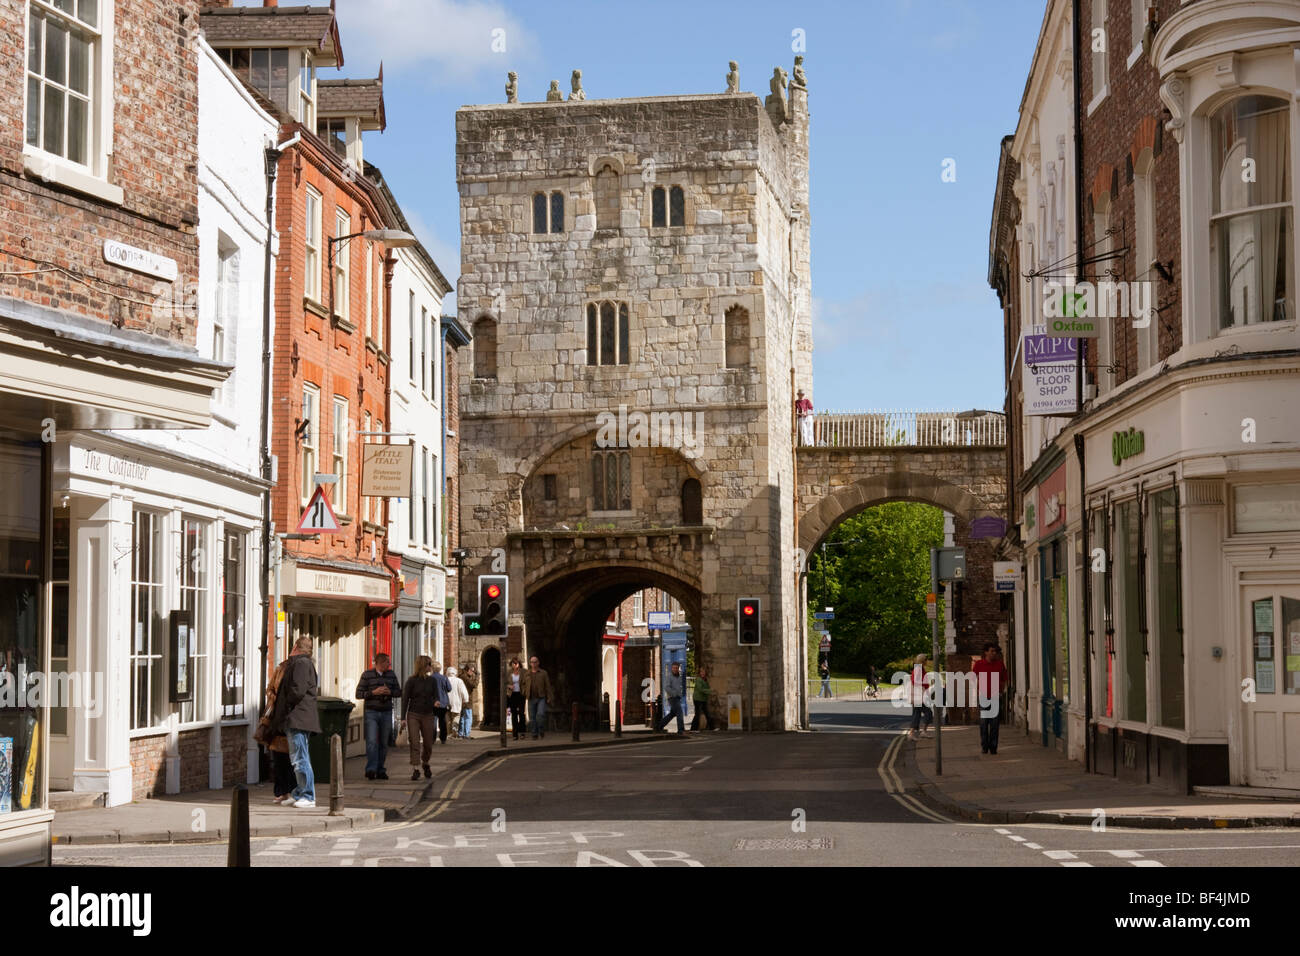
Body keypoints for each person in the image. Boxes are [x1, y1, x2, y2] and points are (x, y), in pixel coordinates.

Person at [272, 635, 320, 809]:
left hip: (298, 719)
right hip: (298, 718)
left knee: (300, 759)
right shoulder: (303, 663)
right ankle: (299, 793)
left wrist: (287, 708)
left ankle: (308, 795)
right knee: (298, 757)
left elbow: (297, 691)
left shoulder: (300, 663)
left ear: (295, 647)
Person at [356, 653, 401, 780]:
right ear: (380, 663)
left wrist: (390, 692)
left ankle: (380, 769)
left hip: (386, 712)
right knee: (371, 742)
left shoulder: (391, 675)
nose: (389, 665)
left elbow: (399, 692)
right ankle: (371, 769)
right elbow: (358, 694)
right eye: (388, 663)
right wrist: (373, 692)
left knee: (383, 743)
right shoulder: (367, 675)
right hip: (372, 712)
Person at [256, 656, 295, 803]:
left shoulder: (299, 671)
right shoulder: (280, 669)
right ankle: (281, 792)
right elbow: (270, 689)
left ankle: (291, 791)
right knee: (278, 756)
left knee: (291, 758)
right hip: (276, 718)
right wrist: (275, 698)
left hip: (291, 717)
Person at [400, 656, 439, 780]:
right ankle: (416, 768)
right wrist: (402, 718)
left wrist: (435, 702)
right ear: (423, 665)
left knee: (428, 743)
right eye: (429, 664)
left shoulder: (432, 681)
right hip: (413, 715)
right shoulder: (411, 681)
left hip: (428, 715)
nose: (430, 666)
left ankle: (425, 762)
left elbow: (436, 696)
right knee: (414, 742)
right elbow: (405, 699)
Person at [972, 642, 1009, 755]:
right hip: (983, 696)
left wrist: (1002, 692)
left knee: (994, 723)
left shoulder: (1000, 664)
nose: (994, 653)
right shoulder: (979, 664)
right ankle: (984, 746)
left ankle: (993, 747)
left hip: (995, 697)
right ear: (986, 652)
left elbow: (1005, 679)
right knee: (983, 723)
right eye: (992, 651)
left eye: (995, 651)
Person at [523, 655, 552, 739]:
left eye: (535, 662)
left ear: (538, 663)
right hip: (531, 698)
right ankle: (534, 734)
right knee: (532, 718)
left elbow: (547, 685)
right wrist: (525, 692)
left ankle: (541, 729)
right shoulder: (527, 674)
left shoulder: (543, 673)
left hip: (541, 697)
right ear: (530, 663)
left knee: (540, 715)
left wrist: (549, 696)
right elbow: (523, 684)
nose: (534, 664)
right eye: (532, 662)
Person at [656, 661, 687, 735]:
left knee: (672, 714)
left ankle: (659, 726)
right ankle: (681, 730)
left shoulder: (679, 677)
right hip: (672, 698)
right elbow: (666, 687)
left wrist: (679, 694)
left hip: (677, 697)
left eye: (676, 668)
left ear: (678, 668)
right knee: (679, 712)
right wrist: (674, 693)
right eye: (674, 668)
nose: (675, 669)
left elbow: (679, 687)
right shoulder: (669, 676)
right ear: (671, 668)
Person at [908, 653, 933, 740]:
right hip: (919, 696)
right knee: (928, 712)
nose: (927, 661)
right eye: (926, 659)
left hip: (918, 695)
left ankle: (912, 734)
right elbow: (915, 682)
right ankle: (923, 732)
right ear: (923, 661)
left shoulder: (920, 668)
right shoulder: (918, 669)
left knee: (916, 714)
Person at [430, 662, 453, 744]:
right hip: (443, 702)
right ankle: (443, 738)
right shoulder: (444, 678)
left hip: (433, 702)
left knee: (433, 720)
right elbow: (449, 688)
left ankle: (432, 738)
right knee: (442, 720)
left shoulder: (430, 678)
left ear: (432, 668)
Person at [446, 666, 469, 740]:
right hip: (456, 702)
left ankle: (449, 733)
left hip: (446, 702)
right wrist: (466, 700)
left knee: (448, 718)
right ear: (455, 673)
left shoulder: (445, 680)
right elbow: (463, 691)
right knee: (456, 717)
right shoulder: (459, 681)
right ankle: (454, 732)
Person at [507, 658, 526, 739]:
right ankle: (515, 734)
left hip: (521, 694)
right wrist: (509, 686)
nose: (515, 665)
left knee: (521, 713)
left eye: (516, 663)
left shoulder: (523, 671)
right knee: (514, 714)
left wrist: (525, 689)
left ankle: (522, 732)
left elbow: (527, 681)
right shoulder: (509, 672)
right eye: (513, 663)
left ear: (519, 664)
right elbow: (505, 683)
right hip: (512, 694)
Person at [690, 666, 713, 731]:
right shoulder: (698, 679)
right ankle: (693, 729)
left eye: (703, 671)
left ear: (705, 672)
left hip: (703, 699)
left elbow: (706, 688)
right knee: (697, 714)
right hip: (697, 699)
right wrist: (710, 691)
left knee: (707, 713)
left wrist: (709, 691)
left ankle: (711, 727)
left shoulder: (705, 679)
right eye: (701, 672)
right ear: (699, 673)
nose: (702, 673)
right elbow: (700, 689)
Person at [460, 664, 479, 738]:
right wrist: (477, 676)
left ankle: (461, 733)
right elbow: (474, 685)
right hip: (466, 700)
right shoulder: (464, 677)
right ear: (467, 669)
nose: (472, 672)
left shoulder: (462, 676)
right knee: (468, 717)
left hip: (463, 700)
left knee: (462, 717)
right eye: (471, 670)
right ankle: (466, 734)